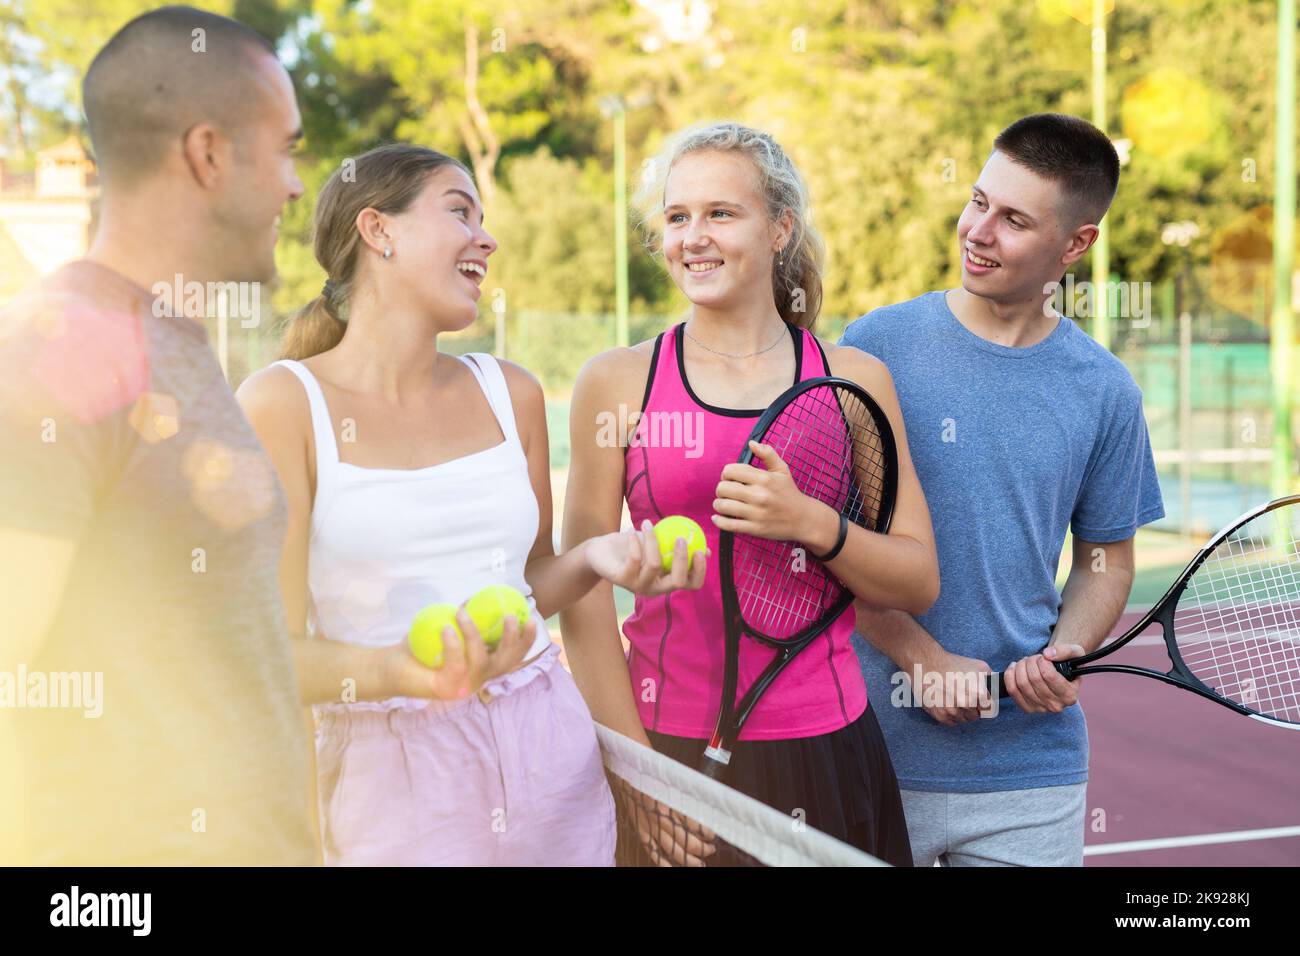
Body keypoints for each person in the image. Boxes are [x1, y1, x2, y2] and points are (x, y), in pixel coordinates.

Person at [236, 143, 707, 866]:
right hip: (394, 787)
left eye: (484, 219)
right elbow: (267, 652)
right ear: (378, 230)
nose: (486, 238)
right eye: (459, 212)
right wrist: (404, 672)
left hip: (552, 755)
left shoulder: (508, 390)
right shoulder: (283, 403)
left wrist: (591, 560)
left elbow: (526, 587)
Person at [559, 122, 939, 866]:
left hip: (829, 754)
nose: (692, 238)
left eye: (720, 214)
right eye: (676, 218)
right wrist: (637, 770)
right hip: (666, 753)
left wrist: (812, 524)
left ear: (780, 228)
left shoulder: (855, 380)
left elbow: (918, 579)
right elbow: (581, 593)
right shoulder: (617, 381)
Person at [0, 7, 319, 864]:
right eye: (287, 148)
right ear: (209, 154)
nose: (297, 185)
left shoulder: (175, 344)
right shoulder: (56, 348)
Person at [840, 113, 1164, 867]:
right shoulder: (875, 347)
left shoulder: (1106, 391)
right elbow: (822, 540)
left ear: (1075, 244)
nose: (978, 231)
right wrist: (918, 654)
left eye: (1014, 219)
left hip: (1030, 774)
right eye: (978, 201)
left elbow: (1105, 559)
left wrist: (1068, 650)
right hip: (871, 752)